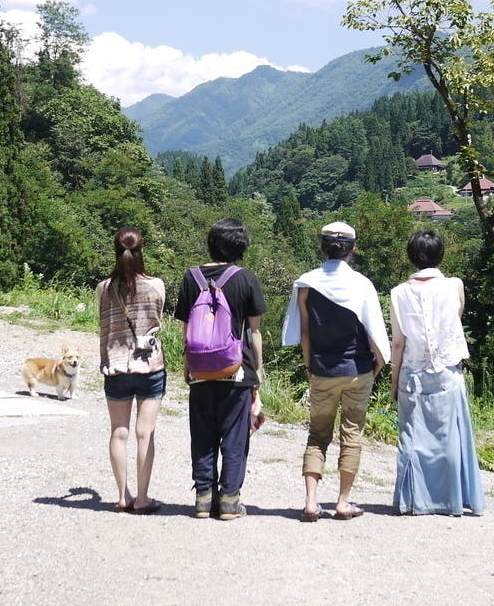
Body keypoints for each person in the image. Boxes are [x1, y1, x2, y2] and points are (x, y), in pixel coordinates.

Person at [281, 221, 389, 522]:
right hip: (358, 370)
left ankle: (311, 502)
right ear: (352, 250)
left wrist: (309, 366)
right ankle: (343, 502)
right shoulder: (362, 284)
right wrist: (376, 367)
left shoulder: (306, 284)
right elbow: (375, 334)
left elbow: (304, 332)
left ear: (322, 247)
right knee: (352, 435)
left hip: (321, 369)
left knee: (317, 434)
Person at [174, 218, 267, 521]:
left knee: (202, 435)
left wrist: (187, 363)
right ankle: (229, 501)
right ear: (241, 247)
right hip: (235, 371)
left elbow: (186, 328)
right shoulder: (245, 278)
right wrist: (259, 373)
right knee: (234, 438)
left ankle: (203, 499)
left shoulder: (191, 277)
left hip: (200, 369)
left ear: (211, 243)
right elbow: (253, 333)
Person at [389, 229, 485, 516]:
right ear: (440, 254)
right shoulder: (455, 285)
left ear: (411, 256)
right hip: (447, 371)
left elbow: (397, 343)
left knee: (411, 438)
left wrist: (393, 383)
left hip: (412, 373)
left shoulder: (398, 292)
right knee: (449, 438)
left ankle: (413, 501)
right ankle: (452, 501)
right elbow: (455, 318)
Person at [97, 227, 166, 514]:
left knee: (119, 432)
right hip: (149, 366)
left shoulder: (103, 288)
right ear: (142, 251)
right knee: (144, 433)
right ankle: (142, 498)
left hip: (115, 366)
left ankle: (123, 496)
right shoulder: (156, 285)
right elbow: (158, 317)